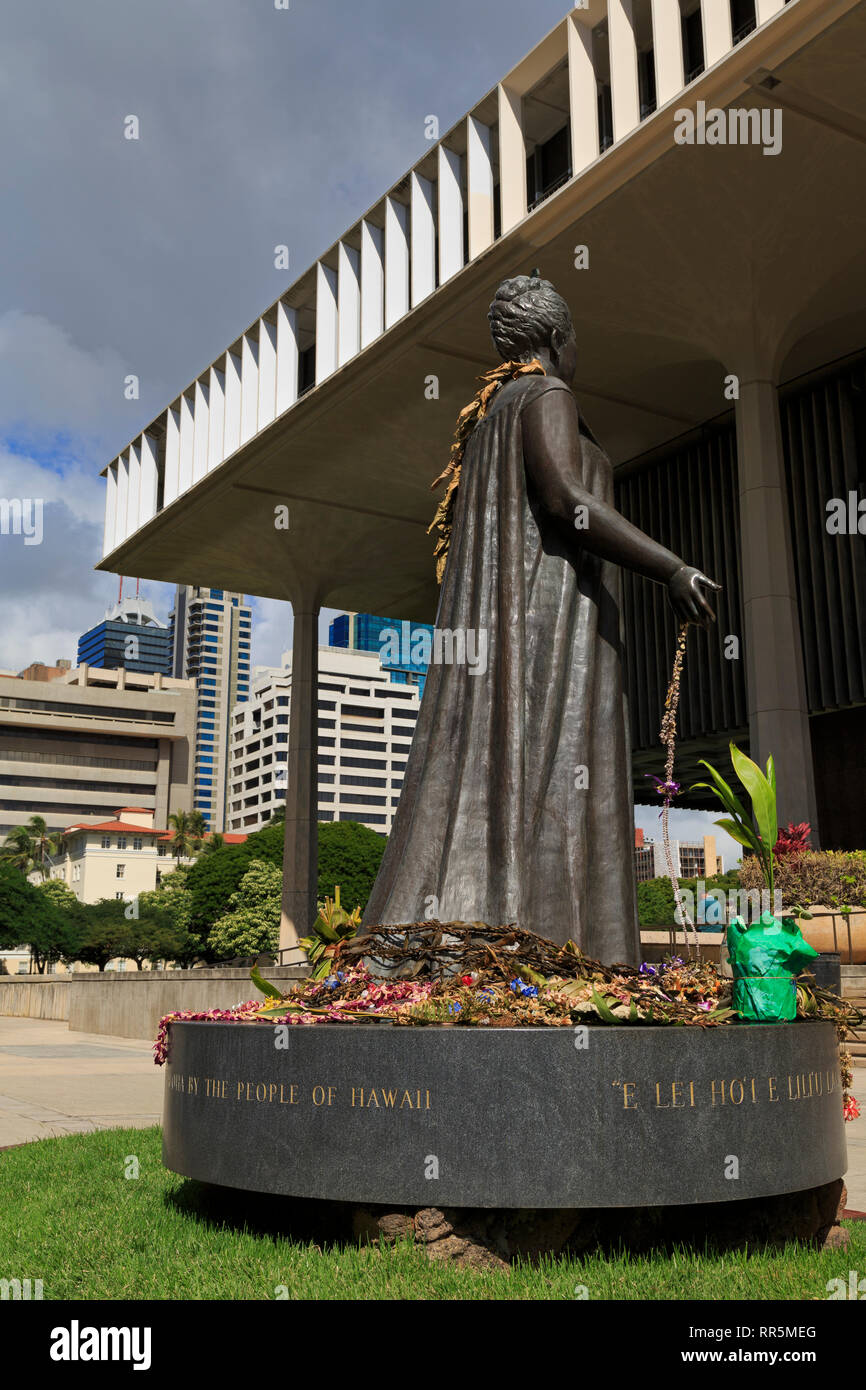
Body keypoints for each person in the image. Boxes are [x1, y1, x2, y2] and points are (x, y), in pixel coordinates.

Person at [362, 274, 718, 964]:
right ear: (558, 338)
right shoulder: (549, 393)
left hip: (510, 628)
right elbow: (564, 499)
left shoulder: (490, 415)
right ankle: (560, 949)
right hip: (551, 624)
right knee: (556, 769)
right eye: (574, 338)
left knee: (512, 769)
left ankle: (501, 938)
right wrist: (672, 567)